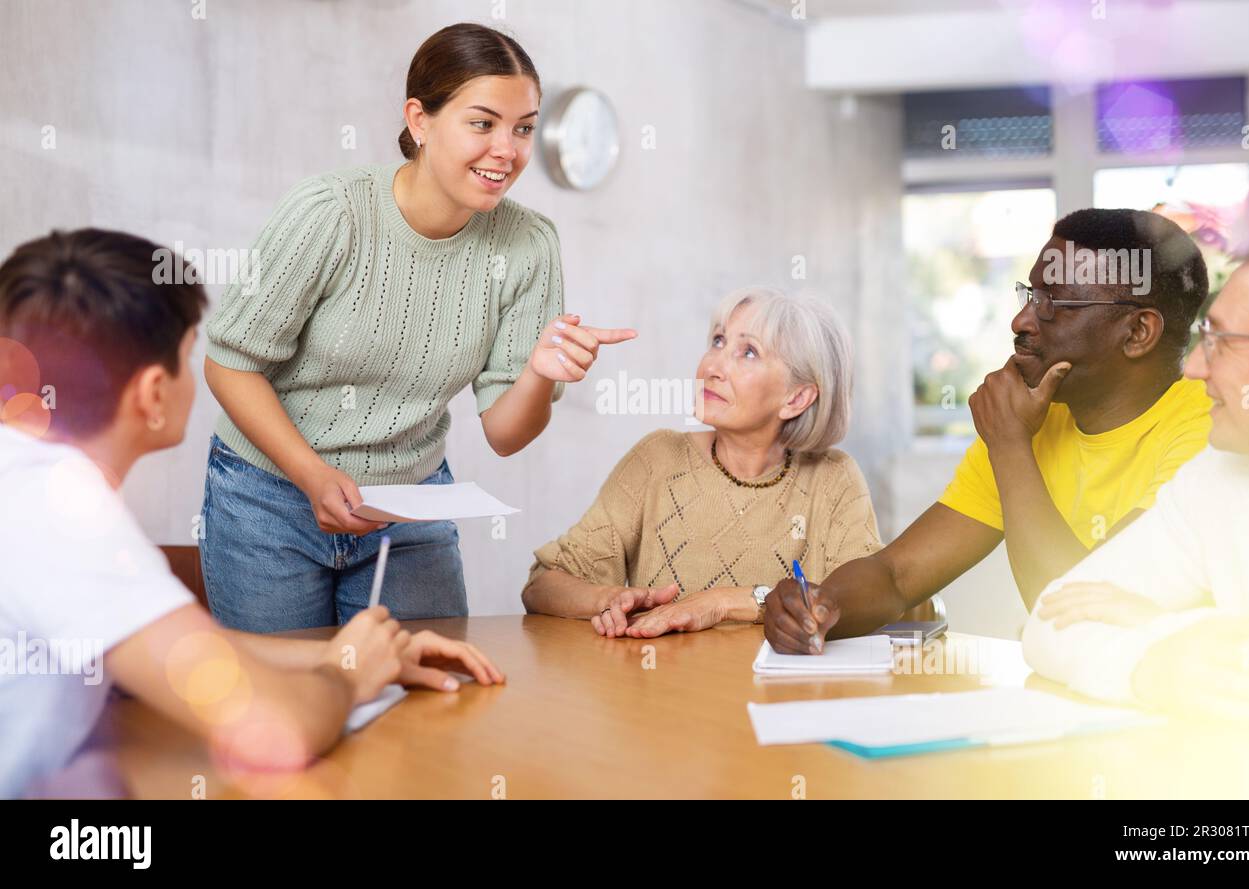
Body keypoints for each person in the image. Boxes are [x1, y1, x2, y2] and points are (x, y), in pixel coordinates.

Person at [0, 228, 503, 799]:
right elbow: (273, 732)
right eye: (190, 355)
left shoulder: (25, 480)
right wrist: (345, 675)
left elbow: (177, 645)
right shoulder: (59, 513)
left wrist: (366, 653)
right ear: (151, 393)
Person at [201, 22, 635, 632]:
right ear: (420, 120)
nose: (506, 150)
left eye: (523, 128)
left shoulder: (528, 244)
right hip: (270, 495)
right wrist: (312, 474)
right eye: (482, 124)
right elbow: (229, 363)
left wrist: (538, 373)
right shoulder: (332, 214)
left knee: (429, 699)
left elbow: (506, 435)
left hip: (411, 502)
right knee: (288, 700)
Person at [765, 209, 1213, 654]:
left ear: (1137, 332)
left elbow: (1076, 617)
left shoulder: (1209, 435)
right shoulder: (1034, 418)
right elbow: (898, 576)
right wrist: (821, 606)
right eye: (1030, 296)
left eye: (1054, 304)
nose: (1022, 322)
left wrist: (1010, 442)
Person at [1023, 228, 1249, 721]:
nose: (1194, 367)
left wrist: (1162, 626)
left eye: (1225, 343)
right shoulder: (1221, 477)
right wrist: (1153, 667)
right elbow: (1050, 619)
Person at [523, 287, 881, 639]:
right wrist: (608, 599)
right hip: (664, 693)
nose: (712, 366)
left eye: (749, 353)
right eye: (719, 341)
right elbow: (542, 586)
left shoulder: (834, 479)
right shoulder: (657, 460)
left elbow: (866, 603)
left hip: (777, 697)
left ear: (797, 397)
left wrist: (723, 602)